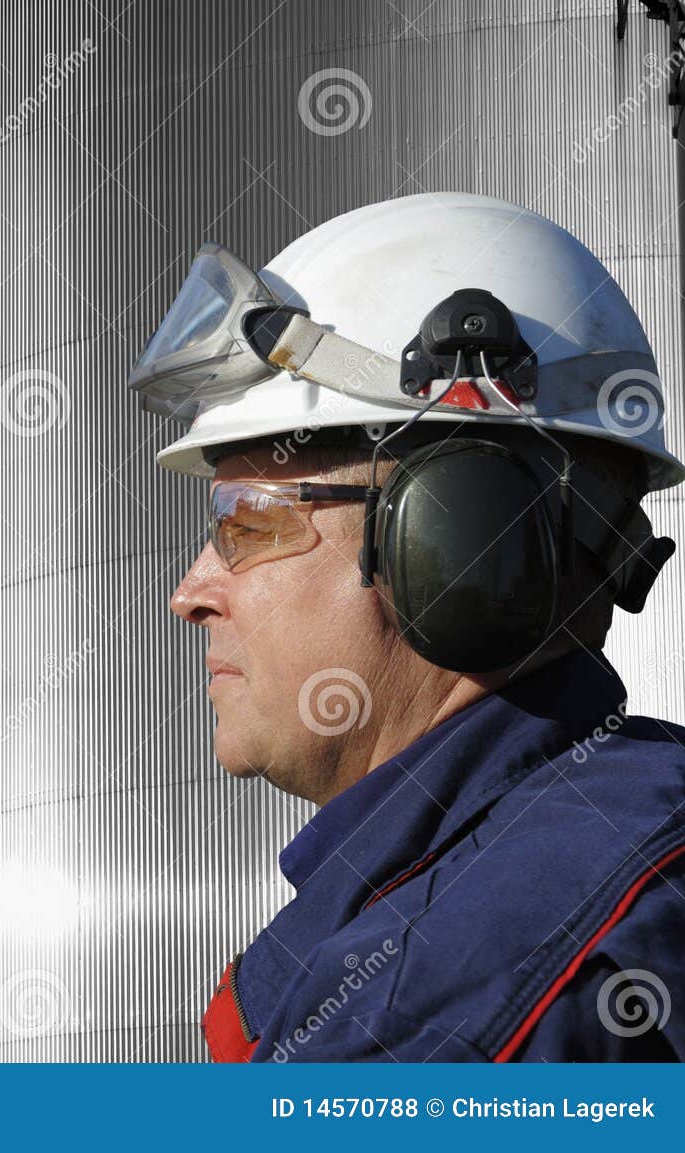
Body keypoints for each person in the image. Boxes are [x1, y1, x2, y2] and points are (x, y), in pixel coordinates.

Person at [130, 192, 685, 1061]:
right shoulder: (585, 853)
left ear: (452, 535)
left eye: (245, 520)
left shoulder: (459, 1000)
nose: (192, 590)